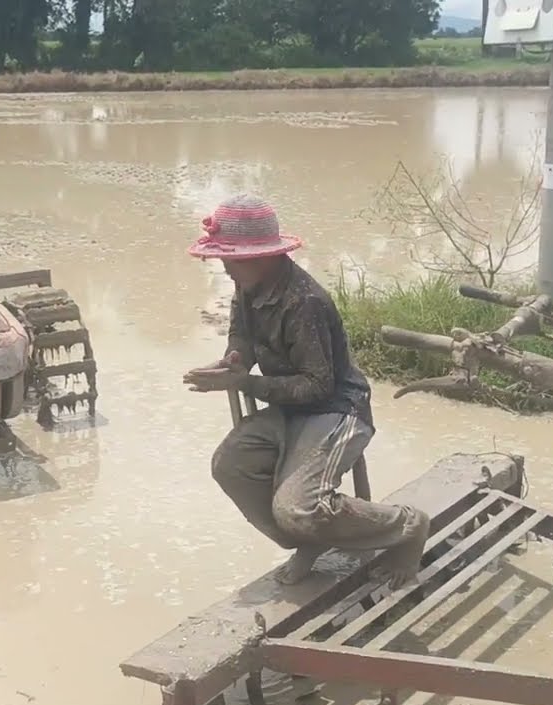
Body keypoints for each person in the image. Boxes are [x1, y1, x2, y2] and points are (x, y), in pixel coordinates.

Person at [182, 194, 430, 587]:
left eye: (229, 258)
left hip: (336, 410)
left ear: (259, 257)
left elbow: (317, 387)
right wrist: (233, 361)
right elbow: (241, 335)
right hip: (288, 408)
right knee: (230, 466)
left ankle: (407, 524)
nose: (224, 265)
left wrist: (244, 382)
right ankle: (309, 539)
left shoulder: (305, 303)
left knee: (298, 506)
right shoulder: (248, 287)